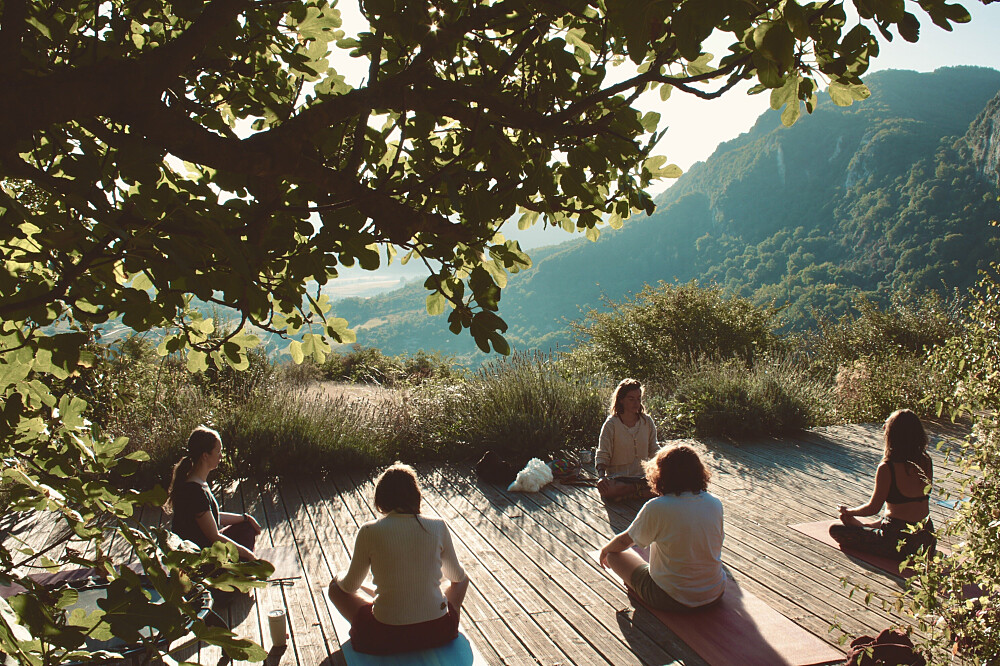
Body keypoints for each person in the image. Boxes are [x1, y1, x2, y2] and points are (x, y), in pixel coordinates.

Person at [327, 463, 470, 655]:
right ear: (415, 495)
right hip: (439, 631)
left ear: (381, 499)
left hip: (384, 637)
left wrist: (338, 576)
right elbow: (456, 576)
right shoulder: (438, 526)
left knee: (335, 589)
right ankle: (442, 610)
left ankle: (387, 605)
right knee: (463, 579)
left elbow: (349, 586)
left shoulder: (370, 530)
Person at [599, 444, 726, 611]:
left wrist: (605, 550)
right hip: (714, 594)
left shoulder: (657, 507)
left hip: (668, 598)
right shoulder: (715, 502)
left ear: (661, 475)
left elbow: (624, 541)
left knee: (614, 555)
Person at [829, 409, 936, 560]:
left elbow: (873, 508)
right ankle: (866, 527)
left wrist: (849, 511)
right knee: (889, 520)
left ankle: (861, 527)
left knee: (836, 530)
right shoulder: (926, 461)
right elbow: (904, 510)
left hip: (898, 542)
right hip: (926, 540)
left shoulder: (887, 468)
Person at [166, 426, 261, 561]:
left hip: (206, 547)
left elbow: (212, 517)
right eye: (218, 451)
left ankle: (240, 568)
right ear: (205, 456)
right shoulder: (194, 491)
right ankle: (242, 570)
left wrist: (246, 518)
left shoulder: (197, 482)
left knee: (246, 526)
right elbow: (214, 536)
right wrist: (250, 556)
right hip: (198, 559)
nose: (221, 456)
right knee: (244, 539)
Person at [596, 378, 657, 501]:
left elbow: (654, 449)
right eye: (631, 399)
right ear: (621, 400)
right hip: (619, 478)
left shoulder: (647, 421)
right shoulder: (611, 424)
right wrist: (601, 477)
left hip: (643, 476)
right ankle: (640, 491)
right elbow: (603, 453)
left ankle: (631, 494)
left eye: (638, 399)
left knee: (671, 485)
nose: (636, 403)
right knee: (608, 490)